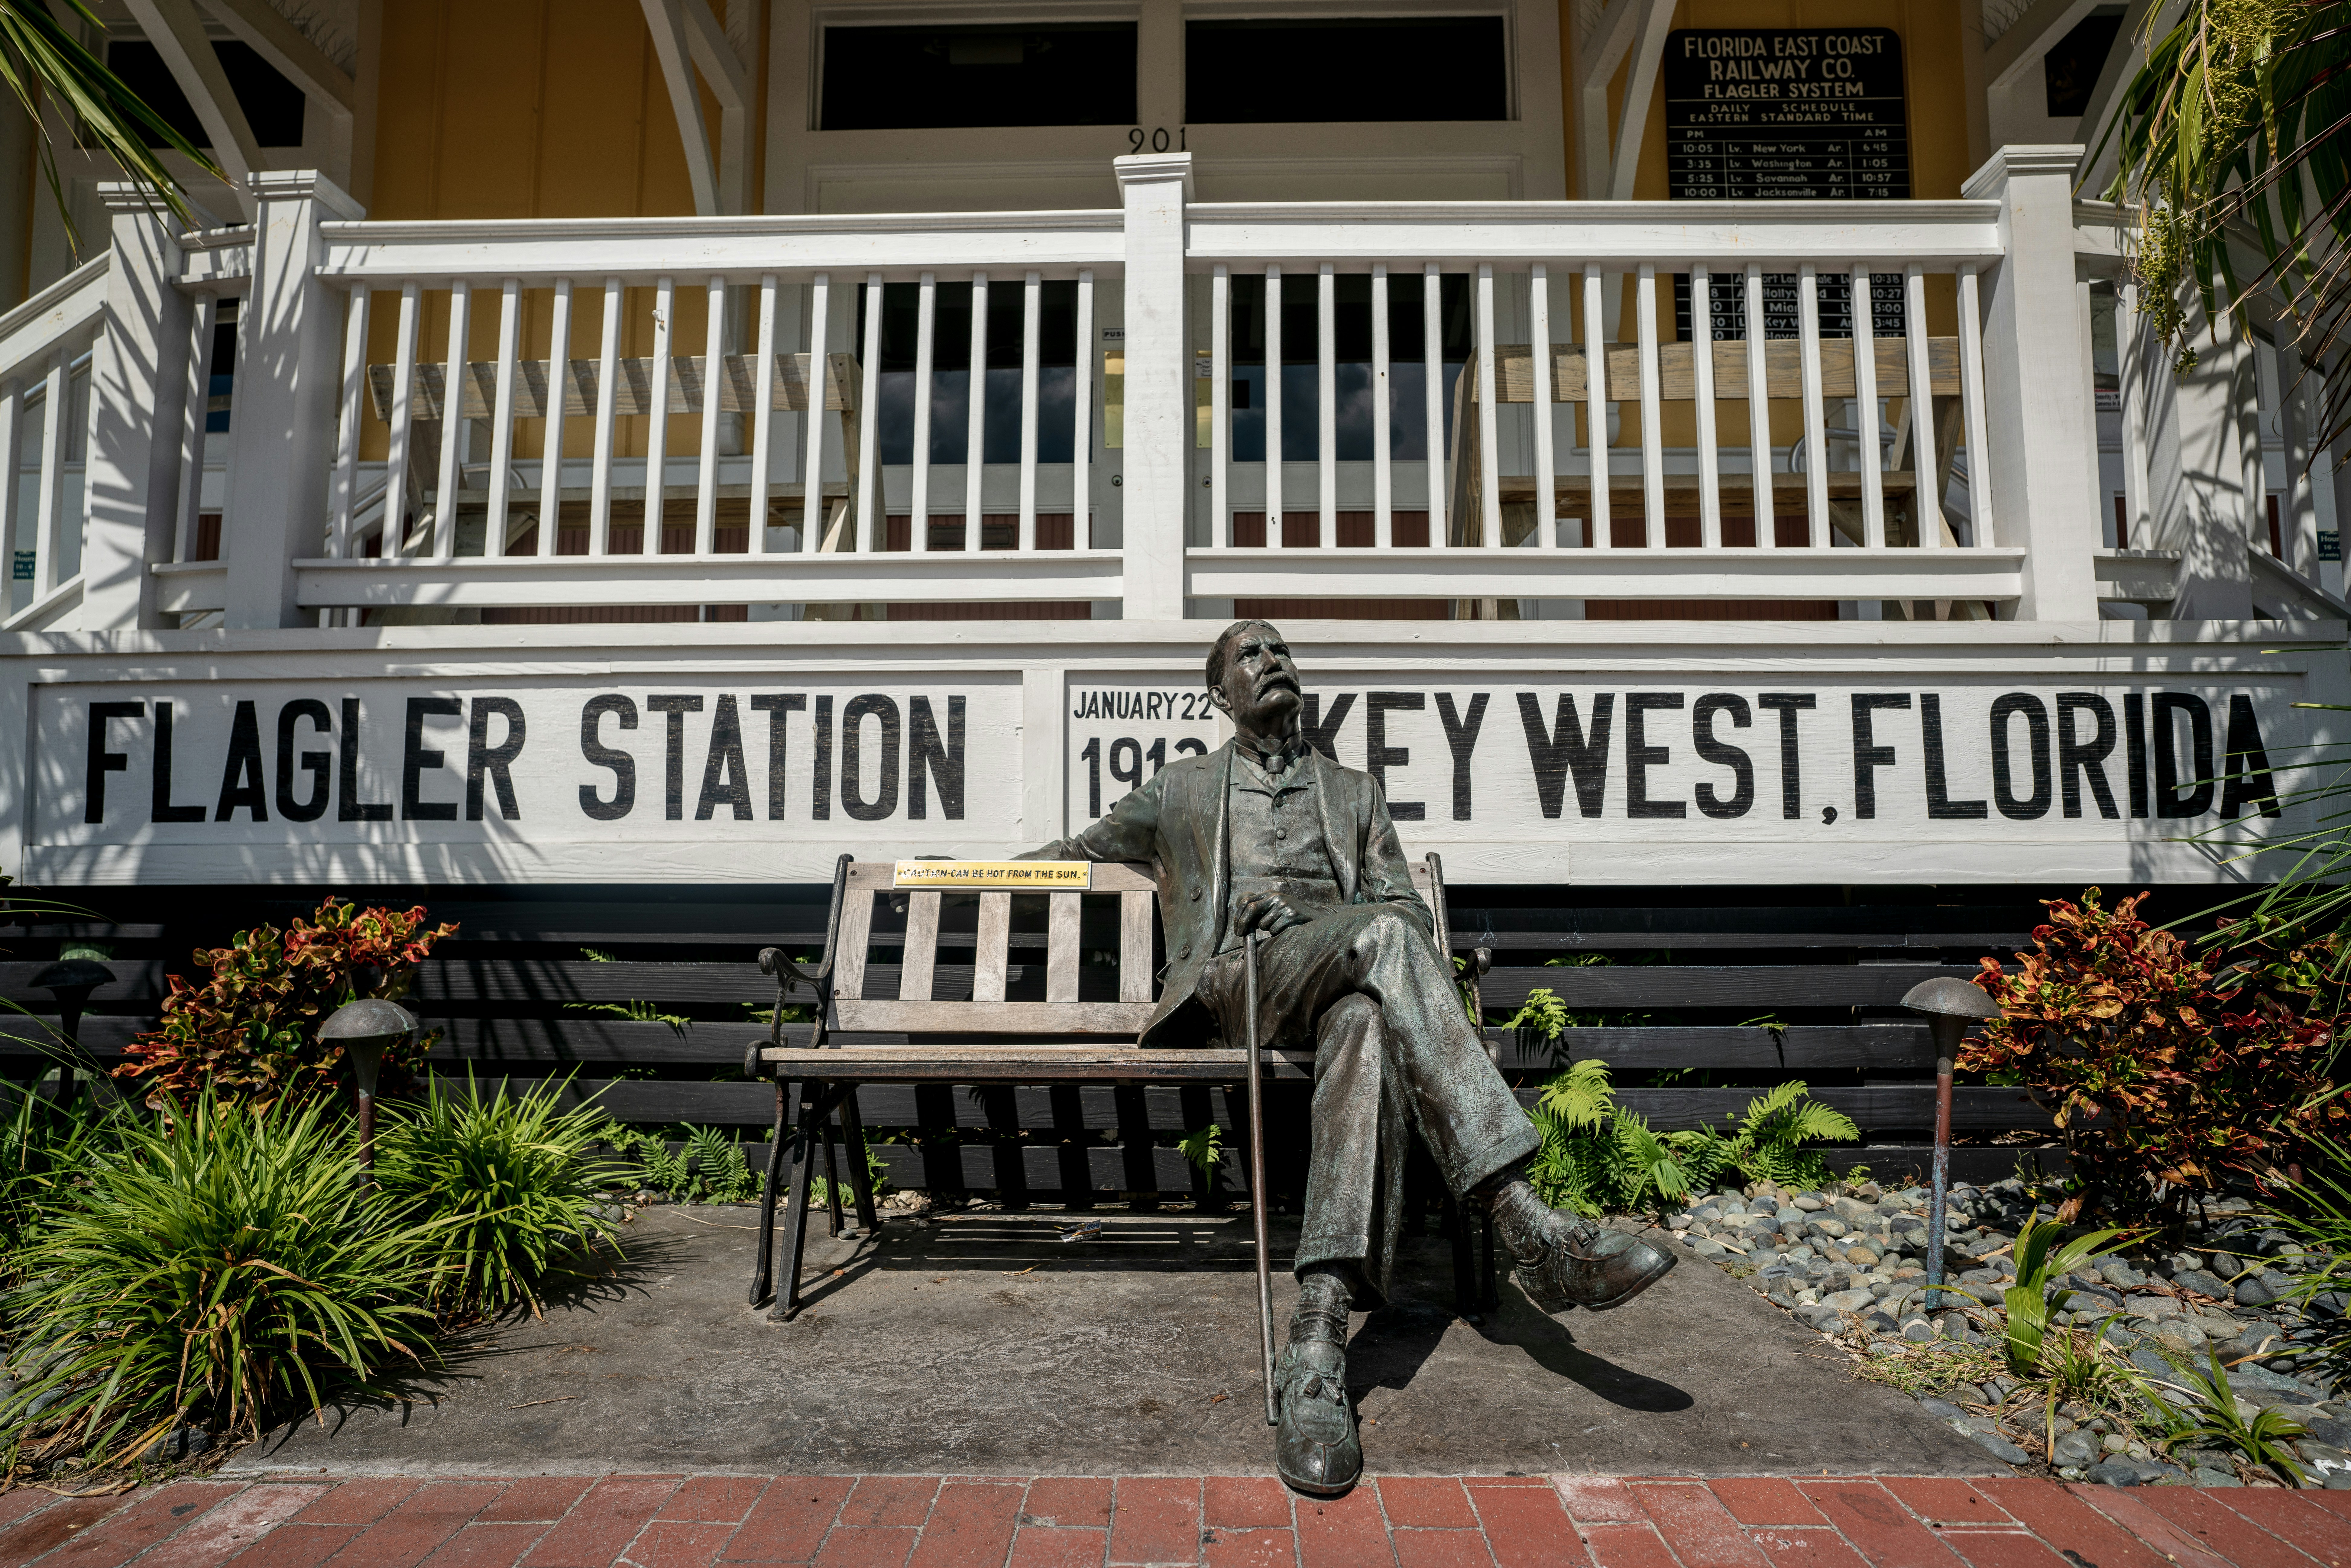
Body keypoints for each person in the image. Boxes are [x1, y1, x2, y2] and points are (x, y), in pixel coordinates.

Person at [1021, 619, 1674, 1495]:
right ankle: (1519, 1216)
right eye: (1250, 655)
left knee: (1370, 1012)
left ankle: (1318, 1346)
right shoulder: (1179, 789)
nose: (1273, 662)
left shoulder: (1353, 792)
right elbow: (1073, 856)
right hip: (1235, 984)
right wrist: (941, 878)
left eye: (1281, 650)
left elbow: (1406, 911)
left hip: (1342, 988)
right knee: (1376, 940)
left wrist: (1344, 932)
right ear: (1219, 695)